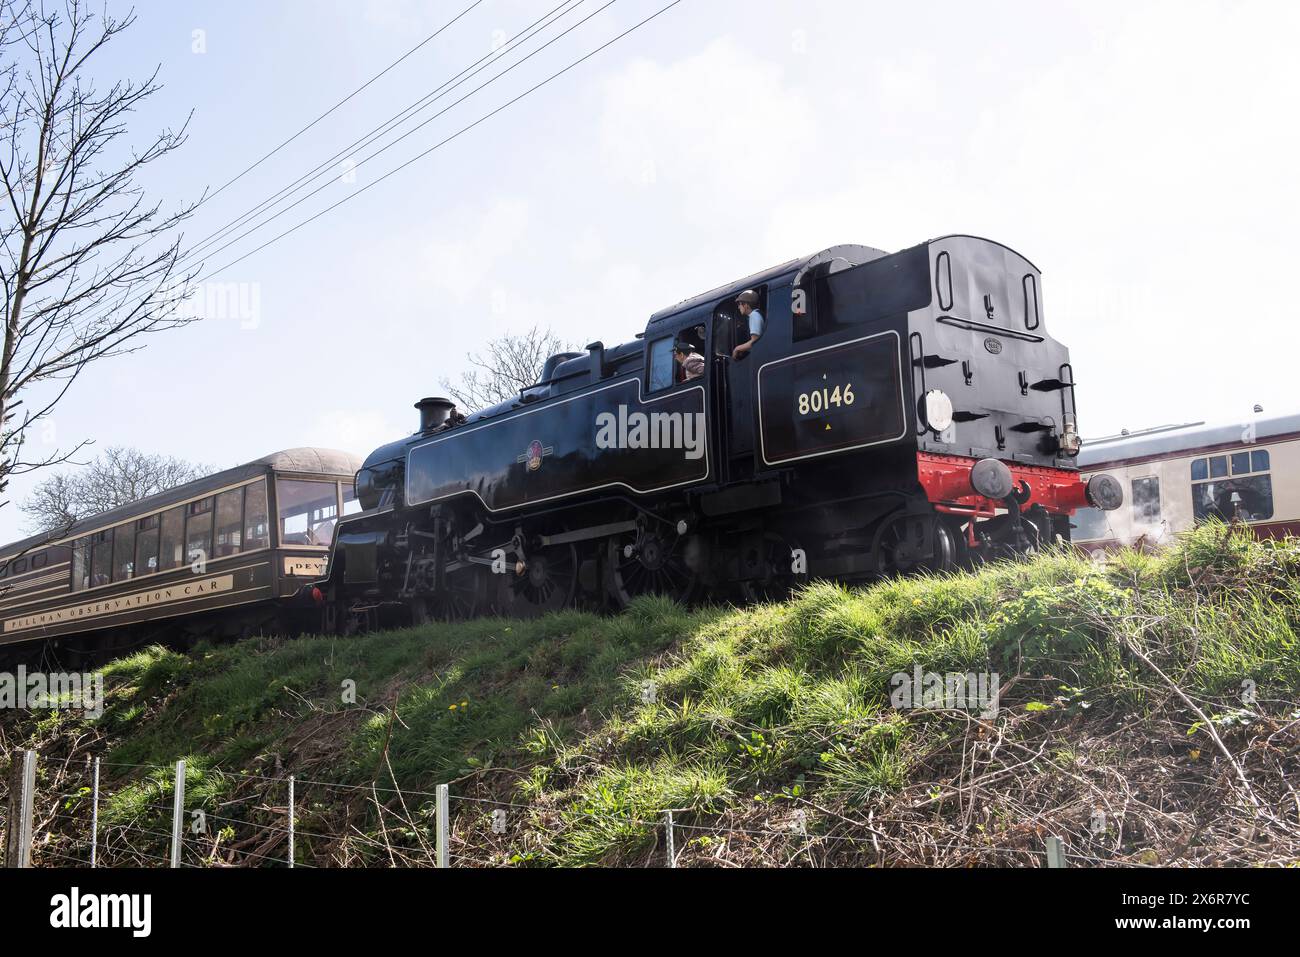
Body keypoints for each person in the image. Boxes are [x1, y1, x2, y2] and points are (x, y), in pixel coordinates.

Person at [732, 289, 764, 360]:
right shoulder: (757, 314)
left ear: (746, 305)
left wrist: (737, 349)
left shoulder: (754, 315)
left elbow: (755, 341)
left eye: (739, 304)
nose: (738, 307)